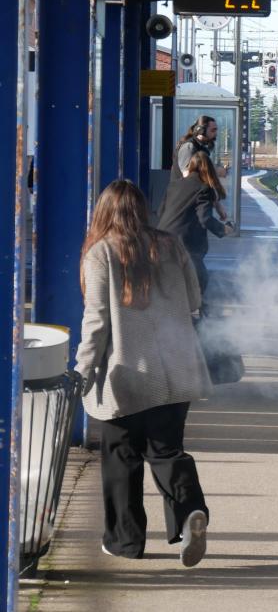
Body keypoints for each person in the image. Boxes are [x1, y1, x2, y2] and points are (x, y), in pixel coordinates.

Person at [73, 180, 212, 567]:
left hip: (128, 375)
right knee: (167, 451)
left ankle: (124, 542)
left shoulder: (100, 253)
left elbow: (97, 321)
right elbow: (195, 300)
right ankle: (189, 515)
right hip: (177, 369)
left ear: (103, 212)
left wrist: (81, 370)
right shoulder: (170, 244)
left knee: (122, 457)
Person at [158, 151, 233, 303]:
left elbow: (160, 211)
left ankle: (179, 312)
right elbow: (204, 218)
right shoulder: (203, 188)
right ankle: (193, 316)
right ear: (209, 170)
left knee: (168, 282)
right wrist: (223, 229)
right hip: (184, 245)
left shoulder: (174, 184)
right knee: (200, 280)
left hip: (160, 239)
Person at [176, 115, 231, 226]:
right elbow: (189, 178)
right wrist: (215, 171)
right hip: (184, 206)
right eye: (213, 130)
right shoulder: (189, 148)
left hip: (193, 205)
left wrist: (217, 205)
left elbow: (203, 178)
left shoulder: (200, 148)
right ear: (201, 130)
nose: (215, 134)